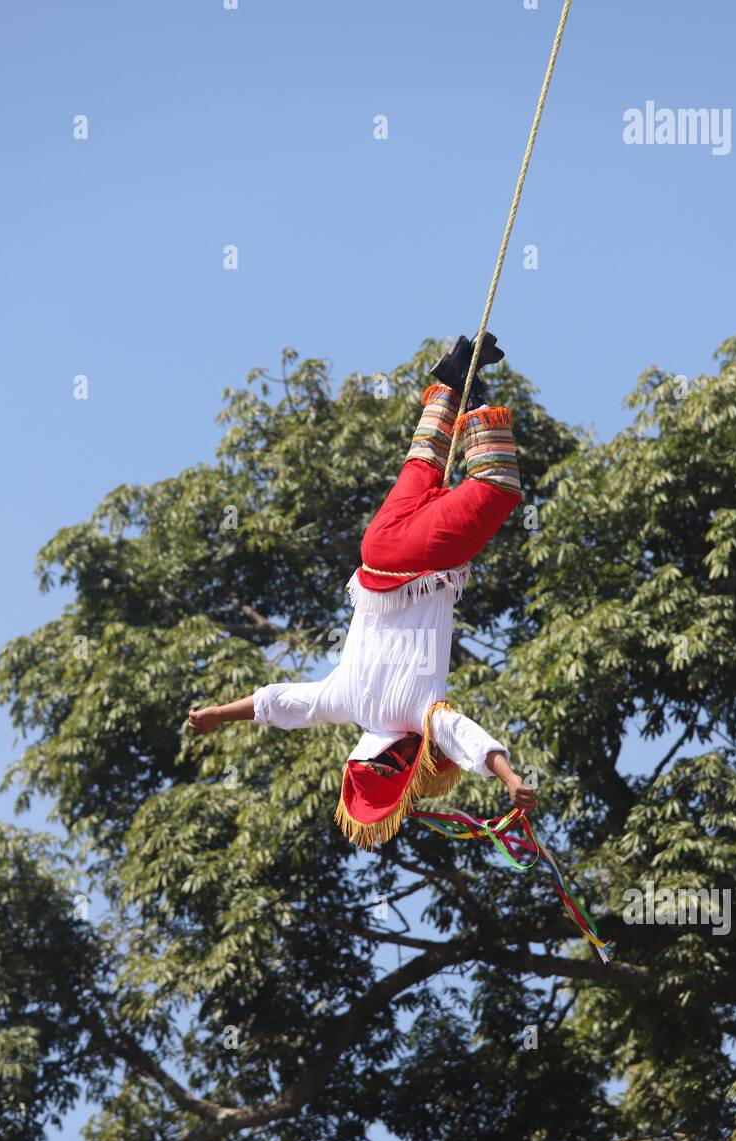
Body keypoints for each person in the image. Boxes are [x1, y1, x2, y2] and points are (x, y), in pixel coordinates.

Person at [188, 333, 536, 849]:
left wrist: (510, 780)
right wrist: (216, 715)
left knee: (496, 490)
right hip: (374, 552)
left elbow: (467, 740)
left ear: (400, 757)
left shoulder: (417, 715)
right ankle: (455, 376)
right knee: (422, 466)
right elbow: (279, 702)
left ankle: (476, 393)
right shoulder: (342, 702)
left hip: (419, 561)